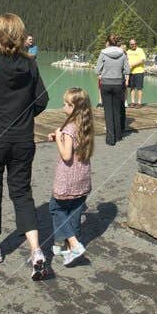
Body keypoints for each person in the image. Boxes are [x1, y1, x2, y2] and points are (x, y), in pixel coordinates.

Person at [0, 13, 52, 280]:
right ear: (19, 36)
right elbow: (42, 100)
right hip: (22, 139)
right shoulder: (30, 66)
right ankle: (37, 251)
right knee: (22, 193)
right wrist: (23, 115)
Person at [48, 87, 94, 267]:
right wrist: (58, 137)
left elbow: (66, 156)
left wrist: (59, 137)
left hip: (67, 178)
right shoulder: (85, 125)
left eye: (67, 104)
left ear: (75, 107)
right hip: (82, 177)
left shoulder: (68, 128)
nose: (63, 107)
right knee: (74, 211)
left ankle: (74, 244)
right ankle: (69, 249)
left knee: (56, 208)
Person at [94, 35, 128, 146]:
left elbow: (97, 70)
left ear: (108, 42)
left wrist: (105, 70)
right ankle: (118, 136)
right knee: (117, 109)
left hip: (106, 84)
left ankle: (110, 138)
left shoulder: (103, 53)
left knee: (108, 111)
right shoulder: (122, 53)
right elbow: (127, 69)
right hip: (118, 83)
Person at [125, 38, 147, 108]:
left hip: (139, 71)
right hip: (131, 72)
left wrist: (133, 65)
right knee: (132, 87)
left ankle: (139, 103)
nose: (133, 45)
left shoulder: (140, 50)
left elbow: (143, 60)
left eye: (134, 44)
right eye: (132, 44)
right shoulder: (128, 51)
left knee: (139, 88)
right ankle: (133, 102)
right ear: (130, 45)